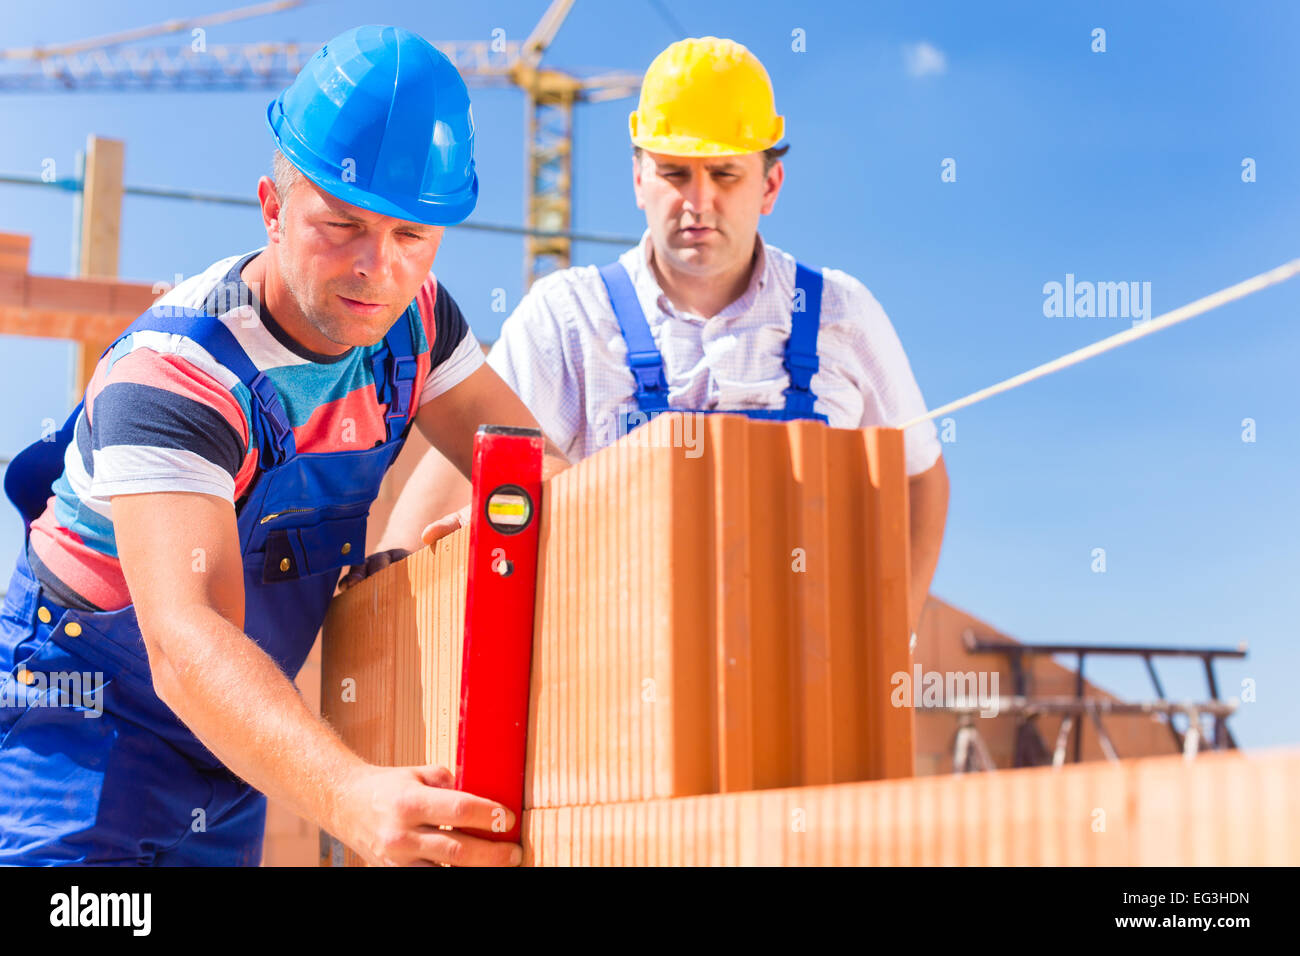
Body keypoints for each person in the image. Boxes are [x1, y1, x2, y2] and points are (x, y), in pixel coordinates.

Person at [0, 24, 566, 867]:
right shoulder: (177, 376)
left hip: (234, 747)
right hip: (76, 731)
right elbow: (187, 644)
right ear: (273, 208)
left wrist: (496, 524)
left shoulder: (418, 325)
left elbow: (529, 464)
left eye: (413, 236)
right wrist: (350, 795)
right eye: (341, 226)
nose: (378, 269)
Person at [383, 36, 950, 634]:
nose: (698, 202)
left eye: (726, 174)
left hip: (805, 694)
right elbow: (442, 494)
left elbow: (920, 481)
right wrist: (386, 618)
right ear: (638, 178)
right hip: (618, 694)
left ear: (770, 185)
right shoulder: (568, 317)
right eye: (674, 173)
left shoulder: (841, 314)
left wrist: (892, 647)